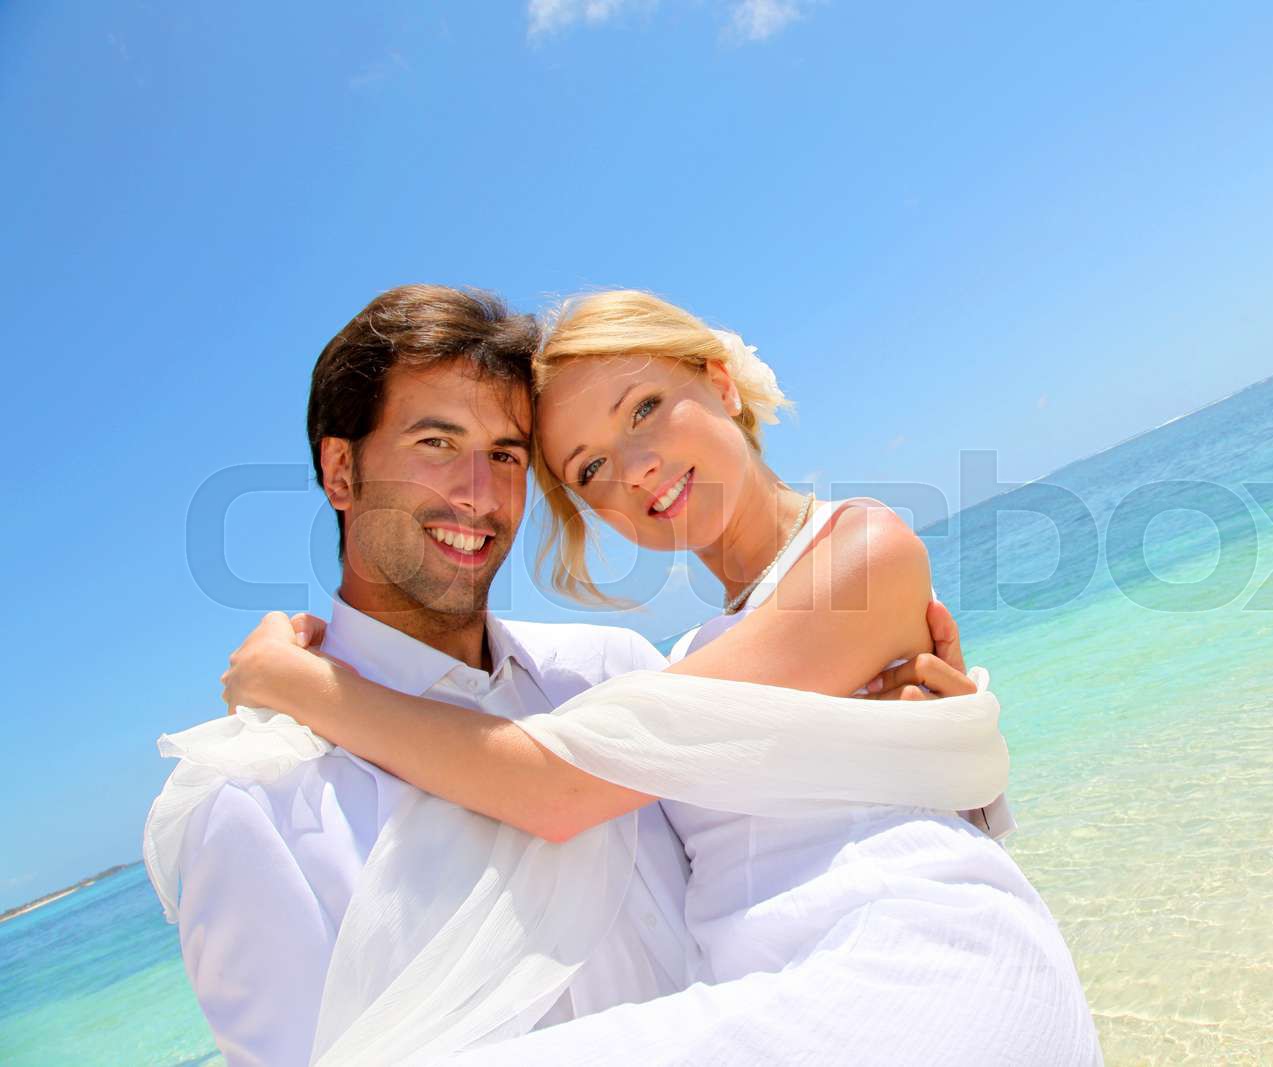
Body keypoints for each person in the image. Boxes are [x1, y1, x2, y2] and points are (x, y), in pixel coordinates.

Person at [221, 291, 1104, 1063]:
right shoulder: (671, 661)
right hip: (790, 996)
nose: (635, 466)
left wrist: (297, 681)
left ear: (720, 381)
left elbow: (551, 786)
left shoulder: (861, 550)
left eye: (644, 407)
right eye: (589, 467)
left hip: (912, 969)